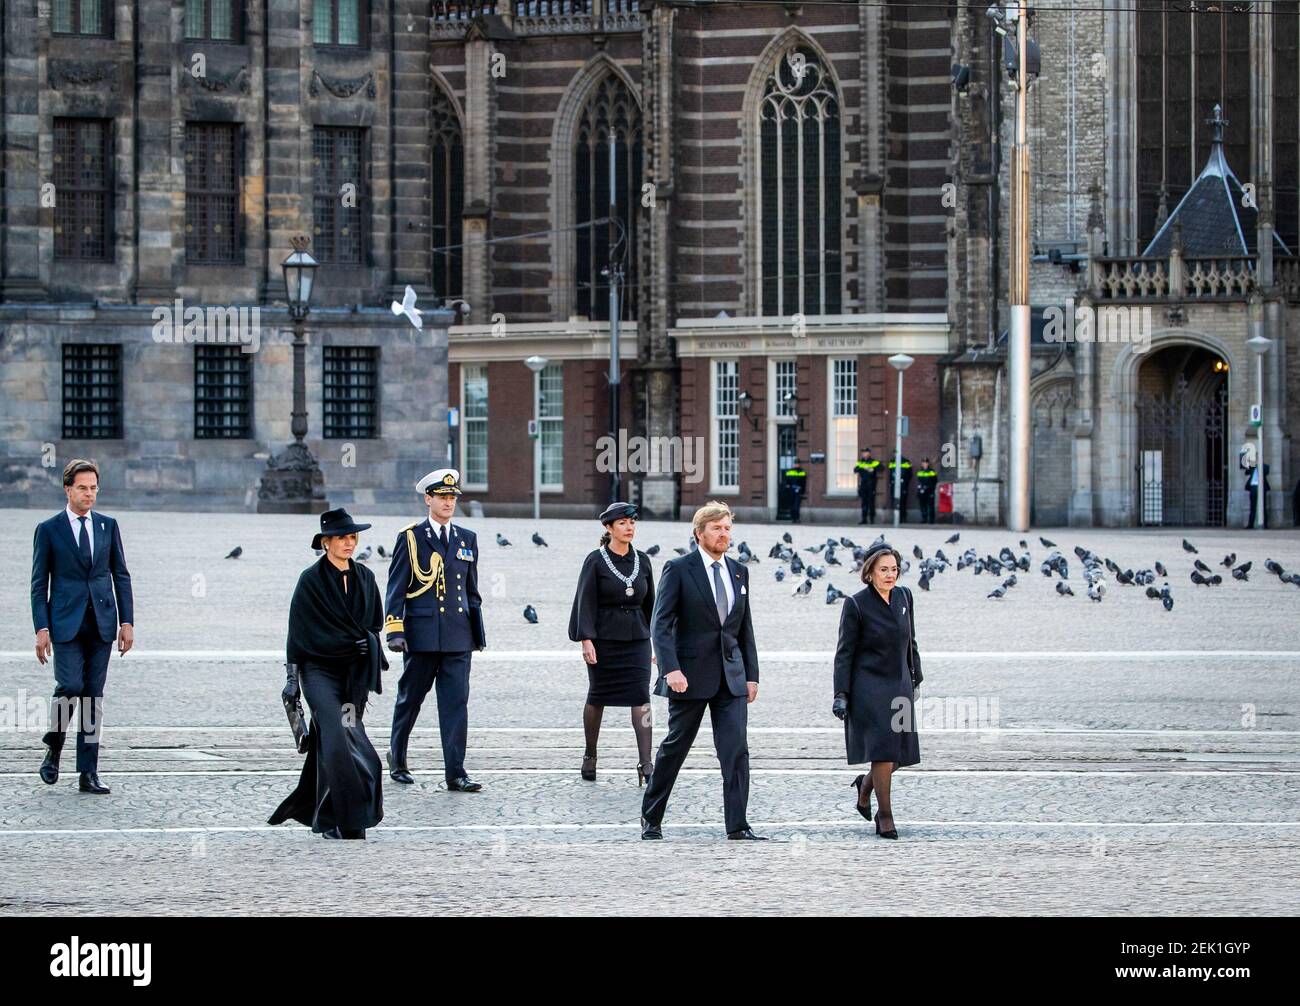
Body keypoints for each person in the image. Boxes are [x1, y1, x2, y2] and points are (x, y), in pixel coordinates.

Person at [640, 502, 763, 841]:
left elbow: (743, 628)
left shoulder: (739, 571)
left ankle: (737, 825)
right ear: (699, 534)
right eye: (717, 529)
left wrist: (752, 675)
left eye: (727, 529)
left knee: (736, 750)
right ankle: (651, 818)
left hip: (731, 677)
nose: (724, 534)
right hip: (689, 678)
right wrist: (670, 669)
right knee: (675, 748)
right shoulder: (679, 568)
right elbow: (660, 624)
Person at [269, 509, 386, 840]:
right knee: (336, 736)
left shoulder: (365, 577)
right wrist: (292, 681)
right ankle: (349, 821)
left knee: (346, 739)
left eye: (353, 537)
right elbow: (296, 635)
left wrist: (369, 642)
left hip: (353, 677)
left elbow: (374, 622)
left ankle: (329, 815)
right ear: (326, 542)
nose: (349, 543)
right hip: (317, 672)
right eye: (342, 538)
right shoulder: (310, 581)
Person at [30, 459, 134, 795]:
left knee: (93, 697)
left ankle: (88, 772)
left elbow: (120, 574)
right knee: (70, 685)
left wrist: (127, 622)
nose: (89, 494)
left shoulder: (108, 526)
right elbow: (38, 584)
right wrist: (41, 628)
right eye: (82, 488)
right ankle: (55, 743)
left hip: (102, 623)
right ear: (68, 489)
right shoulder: (49, 529)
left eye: (93, 488)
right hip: (65, 623)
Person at [385, 469, 486, 792]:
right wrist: (394, 630)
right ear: (428, 499)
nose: (448, 503)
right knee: (410, 699)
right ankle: (397, 757)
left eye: (452, 498)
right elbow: (396, 587)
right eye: (442, 497)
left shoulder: (466, 539)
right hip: (422, 635)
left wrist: (477, 632)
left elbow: (471, 591)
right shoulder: (411, 537)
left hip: (458, 637)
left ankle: (455, 772)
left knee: (456, 704)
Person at [831, 541, 922, 839]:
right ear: (869, 572)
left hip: (900, 686)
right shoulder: (856, 604)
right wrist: (841, 694)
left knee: (899, 756)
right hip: (869, 688)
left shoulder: (905, 596)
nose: (890, 575)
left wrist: (916, 678)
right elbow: (844, 652)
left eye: (894, 569)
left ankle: (865, 786)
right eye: (883, 570)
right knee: (883, 752)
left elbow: (911, 641)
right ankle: (885, 816)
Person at [567, 502, 657, 785]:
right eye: (622, 523)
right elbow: (585, 602)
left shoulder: (643, 560)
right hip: (604, 640)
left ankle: (646, 763)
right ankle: (590, 754)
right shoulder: (595, 560)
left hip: (638, 639)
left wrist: (658, 642)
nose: (629, 528)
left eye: (632, 522)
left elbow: (651, 604)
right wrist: (586, 639)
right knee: (598, 697)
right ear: (609, 528)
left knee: (641, 698)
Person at [854, 448, 880, 524]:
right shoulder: (860, 462)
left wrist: (872, 469)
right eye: (863, 452)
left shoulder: (873, 462)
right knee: (864, 502)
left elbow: (881, 468)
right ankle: (864, 519)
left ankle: (872, 519)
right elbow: (855, 470)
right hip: (863, 484)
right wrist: (862, 467)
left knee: (871, 502)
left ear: (869, 453)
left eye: (865, 452)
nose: (864, 454)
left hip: (871, 484)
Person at [1245, 460, 1271, 529]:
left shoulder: (1265, 466)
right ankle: (1250, 524)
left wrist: (1260, 466)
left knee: (1263, 506)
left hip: (1261, 487)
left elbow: (1266, 472)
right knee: (1252, 507)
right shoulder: (1252, 466)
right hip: (1253, 487)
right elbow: (1246, 472)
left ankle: (1265, 524)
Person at [887, 453, 912, 522]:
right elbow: (890, 473)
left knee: (903, 502)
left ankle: (903, 518)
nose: (895, 455)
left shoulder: (906, 462)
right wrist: (890, 482)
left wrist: (905, 482)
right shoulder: (892, 462)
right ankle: (897, 518)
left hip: (903, 485)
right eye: (894, 453)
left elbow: (909, 474)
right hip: (894, 485)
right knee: (894, 501)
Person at [915, 457, 938, 524]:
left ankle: (931, 520)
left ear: (928, 464)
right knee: (922, 505)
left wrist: (930, 488)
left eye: (925, 463)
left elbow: (934, 481)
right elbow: (919, 481)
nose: (924, 464)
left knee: (931, 506)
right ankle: (924, 518)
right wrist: (920, 488)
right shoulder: (919, 472)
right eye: (923, 463)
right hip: (922, 491)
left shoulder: (932, 472)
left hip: (929, 491)